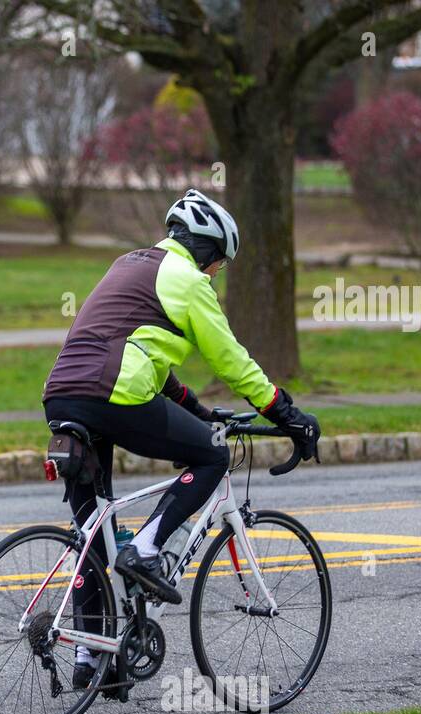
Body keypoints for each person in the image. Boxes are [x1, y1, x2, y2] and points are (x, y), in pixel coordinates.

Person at [42, 190, 319, 688]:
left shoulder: (129, 264)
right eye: (220, 264)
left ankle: (91, 657)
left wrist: (197, 410)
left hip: (63, 394)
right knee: (213, 453)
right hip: (114, 390)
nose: (216, 274)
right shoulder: (189, 280)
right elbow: (230, 360)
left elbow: (144, 351)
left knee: (92, 537)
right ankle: (148, 547)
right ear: (209, 253)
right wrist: (285, 411)